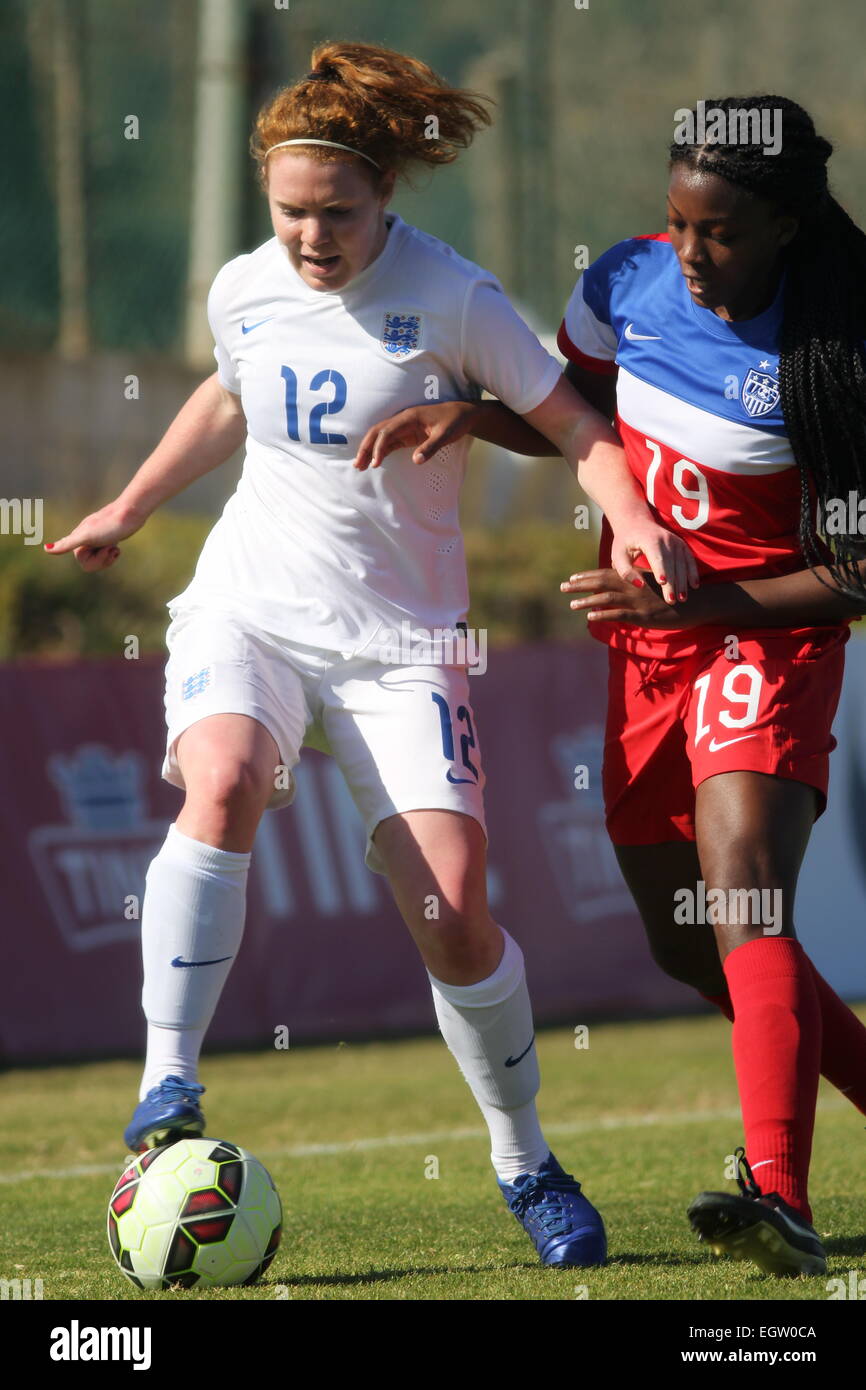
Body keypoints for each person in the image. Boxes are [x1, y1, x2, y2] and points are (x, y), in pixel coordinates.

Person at [45, 41, 691, 1270]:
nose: (309, 237)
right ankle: (164, 1091)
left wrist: (640, 519)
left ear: (386, 193)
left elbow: (574, 424)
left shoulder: (456, 299)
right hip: (248, 606)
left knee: (450, 914)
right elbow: (227, 397)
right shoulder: (243, 287)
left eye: (335, 213)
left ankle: (522, 1159)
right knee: (223, 782)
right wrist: (129, 508)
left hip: (402, 644)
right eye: (289, 212)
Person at [359, 95, 866, 1277]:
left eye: (721, 234)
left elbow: (854, 572)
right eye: (678, 224)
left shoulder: (838, 345)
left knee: (739, 885)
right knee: (687, 943)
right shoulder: (627, 282)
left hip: (766, 636)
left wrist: (703, 606)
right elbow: (576, 415)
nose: (689, 256)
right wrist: (475, 413)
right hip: (646, 646)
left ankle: (775, 1188)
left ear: (787, 226)